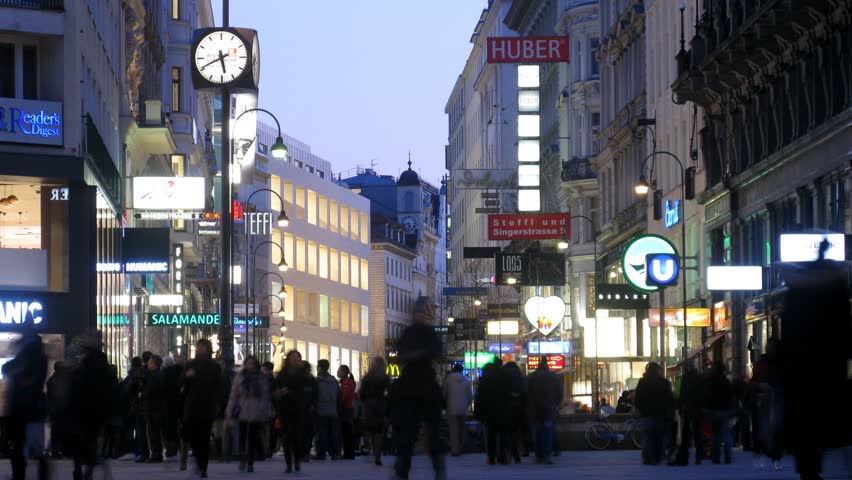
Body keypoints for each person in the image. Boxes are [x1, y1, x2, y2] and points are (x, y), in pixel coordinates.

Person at [390, 297, 446, 480]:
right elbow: (436, 352)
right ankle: (435, 470)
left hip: (414, 388)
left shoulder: (410, 333)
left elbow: (401, 355)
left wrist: (413, 355)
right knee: (424, 433)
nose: (420, 315)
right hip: (423, 388)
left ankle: (403, 471)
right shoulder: (425, 334)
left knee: (409, 435)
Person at [66, 331, 116, 480]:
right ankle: (85, 468)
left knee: (86, 442)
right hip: (88, 410)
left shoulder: (94, 361)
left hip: (90, 410)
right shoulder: (92, 360)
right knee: (87, 442)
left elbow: (99, 387)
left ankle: (85, 469)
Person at [5, 331, 48, 480]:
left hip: (23, 409)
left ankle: (20, 475)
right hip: (30, 409)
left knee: (19, 446)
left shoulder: (27, 357)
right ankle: (38, 474)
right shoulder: (38, 357)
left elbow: (9, 370)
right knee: (30, 447)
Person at [182, 339, 221, 478]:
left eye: (202, 347)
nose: (199, 349)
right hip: (193, 405)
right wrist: (187, 377)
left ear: (207, 349)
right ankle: (199, 462)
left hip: (207, 405)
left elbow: (218, 386)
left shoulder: (214, 366)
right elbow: (183, 385)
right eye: (198, 347)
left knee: (204, 437)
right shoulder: (190, 364)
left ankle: (203, 466)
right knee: (194, 437)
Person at [226, 355, 270, 473]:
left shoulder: (261, 378)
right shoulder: (240, 377)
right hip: (242, 411)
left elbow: (265, 396)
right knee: (242, 437)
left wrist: (264, 411)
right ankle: (243, 458)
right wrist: (230, 410)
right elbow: (233, 395)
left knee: (253, 439)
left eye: (252, 364)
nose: (250, 366)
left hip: (256, 412)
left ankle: (250, 461)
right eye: (248, 363)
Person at [749, 339, 784, 470]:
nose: (770, 349)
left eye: (772, 347)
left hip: (777, 399)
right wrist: (760, 385)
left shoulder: (781, 363)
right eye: (768, 347)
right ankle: (763, 454)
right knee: (763, 429)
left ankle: (776, 456)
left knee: (776, 429)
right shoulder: (761, 363)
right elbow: (753, 382)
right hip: (764, 400)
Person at [634, 362, 674, 465]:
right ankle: (658, 456)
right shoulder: (664, 383)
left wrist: (641, 409)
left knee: (648, 436)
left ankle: (649, 457)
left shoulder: (642, 382)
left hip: (646, 414)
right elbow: (669, 399)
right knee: (659, 436)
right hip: (660, 414)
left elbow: (637, 399)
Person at [275, 350, 308, 473]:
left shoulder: (303, 374)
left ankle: (297, 460)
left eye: (297, 357)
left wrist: (289, 392)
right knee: (287, 436)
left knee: (297, 436)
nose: (295, 359)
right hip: (285, 409)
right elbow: (275, 388)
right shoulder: (282, 373)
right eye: (293, 357)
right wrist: (278, 393)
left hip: (299, 409)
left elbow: (305, 392)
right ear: (288, 359)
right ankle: (289, 463)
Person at [527, 356, 563, 465]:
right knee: (548, 432)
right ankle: (548, 455)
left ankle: (539, 455)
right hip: (549, 409)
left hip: (536, 409)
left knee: (538, 432)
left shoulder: (532, 376)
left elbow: (528, 393)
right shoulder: (554, 377)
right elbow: (560, 393)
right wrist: (554, 404)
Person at [670, 362, 704, 466]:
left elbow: (679, 395)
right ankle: (698, 457)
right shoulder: (699, 378)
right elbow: (702, 395)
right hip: (697, 410)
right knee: (697, 433)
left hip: (687, 410)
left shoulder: (682, 379)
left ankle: (685, 456)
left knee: (686, 434)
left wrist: (680, 408)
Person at [359, 356, 390, 465]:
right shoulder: (385, 377)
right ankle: (377, 455)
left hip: (369, 404)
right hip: (381, 404)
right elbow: (389, 392)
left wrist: (364, 401)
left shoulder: (368, 377)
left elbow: (361, 392)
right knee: (379, 431)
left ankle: (373, 451)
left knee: (371, 429)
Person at [705, 361, 734, 464]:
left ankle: (716, 457)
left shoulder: (711, 382)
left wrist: (707, 408)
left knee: (716, 435)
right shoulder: (726, 382)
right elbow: (730, 396)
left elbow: (707, 396)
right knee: (726, 433)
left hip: (714, 410)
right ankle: (728, 456)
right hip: (725, 410)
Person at [442, 363, 472, 457]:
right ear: (462, 370)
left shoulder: (448, 380)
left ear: (454, 369)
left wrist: (445, 405)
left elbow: (444, 394)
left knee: (453, 430)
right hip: (463, 409)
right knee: (462, 429)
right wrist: (466, 405)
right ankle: (461, 446)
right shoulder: (467, 381)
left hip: (452, 408)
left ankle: (455, 449)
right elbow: (470, 396)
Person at [313, 359, 340, 461]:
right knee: (332, 432)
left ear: (320, 368)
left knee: (321, 432)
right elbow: (338, 397)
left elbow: (314, 396)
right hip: (333, 410)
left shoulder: (318, 381)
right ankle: (334, 453)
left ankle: (321, 453)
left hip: (321, 410)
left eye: (317, 366)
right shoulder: (334, 381)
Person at [140, 354, 165, 463]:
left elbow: (149, 391)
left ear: (153, 363)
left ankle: (156, 454)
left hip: (151, 407)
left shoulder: (153, 376)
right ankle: (157, 453)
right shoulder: (160, 375)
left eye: (150, 362)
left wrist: (141, 395)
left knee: (152, 432)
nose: (148, 364)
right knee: (156, 432)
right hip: (158, 407)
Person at [46, 361, 72, 458]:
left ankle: (56, 451)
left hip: (57, 411)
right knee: (60, 432)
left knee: (57, 432)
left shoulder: (53, 380)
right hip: (61, 410)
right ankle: (60, 451)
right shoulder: (63, 380)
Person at [161, 354, 185, 458]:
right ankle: (183, 448)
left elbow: (162, 388)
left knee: (170, 427)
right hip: (182, 403)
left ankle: (172, 449)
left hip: (169, 404)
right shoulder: (185, 372)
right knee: (183, 427)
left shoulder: (166, 373)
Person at [503, 362, 527, 464]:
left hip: (507, 408)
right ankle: (517, 455)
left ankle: (508, 455)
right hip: (519, 408)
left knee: (507, 433)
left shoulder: (503, 377)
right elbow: (525, 392)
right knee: (517, 432)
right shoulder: (521, 378)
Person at [337, 365, 356, 460]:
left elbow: (344, 397)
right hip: (348, 409)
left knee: (346, 432)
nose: (337, 372)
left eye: (339, 370)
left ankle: (348, 453)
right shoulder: (346, 382)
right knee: (347, 432)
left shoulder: (346, 383)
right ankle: (348, 453)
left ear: (344, 372)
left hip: (346, 410)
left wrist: (339, 405)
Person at [301, 361, 318, 463]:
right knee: (306, 432)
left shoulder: (311, 380)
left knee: (307, 432)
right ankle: (304, 452)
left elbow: (315, 394)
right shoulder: (312, 380)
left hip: (307, 410)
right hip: (304, 409)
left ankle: (304, 452)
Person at [260, 361, 277, 458]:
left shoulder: (272, 381)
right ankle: (265, 448)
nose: (263, 371)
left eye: (265, 369)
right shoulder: (262, 380)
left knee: (270, 429)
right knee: (265, 429)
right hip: (264, 407)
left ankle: (269, 449)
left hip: (270, 407)